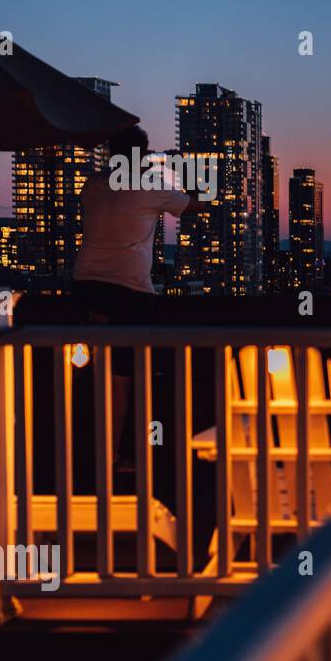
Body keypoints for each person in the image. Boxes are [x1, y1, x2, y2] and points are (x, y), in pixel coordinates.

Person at [73, 124, 208, 470]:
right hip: (128, 291)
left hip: (86, 284)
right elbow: (199, 203)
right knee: (122, 377)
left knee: (96, 370)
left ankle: (89, 446)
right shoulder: (150, 186)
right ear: (142, 153)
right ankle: (111, 456)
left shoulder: (94, 185)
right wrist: (183, 169)